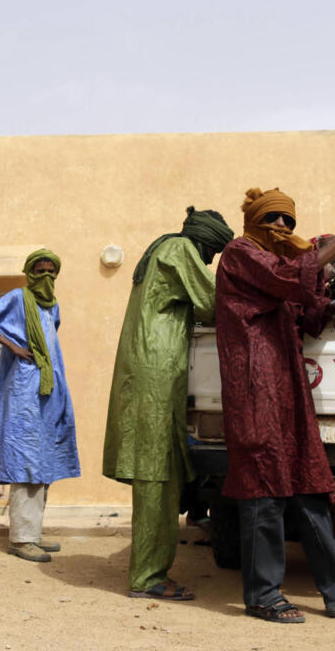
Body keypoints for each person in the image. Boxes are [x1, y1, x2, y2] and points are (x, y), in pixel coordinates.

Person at [215, 187, 335, 623]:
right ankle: (262, 595)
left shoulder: (285, 267)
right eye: (273, 220)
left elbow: (306, 307)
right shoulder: (240, 254)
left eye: (288, 222)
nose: (281, 228)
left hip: (289, 391)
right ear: (254, 222)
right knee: (263, 488)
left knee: (308, 487)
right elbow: (287, 279)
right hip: (255, 387)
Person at [102, 206, 234, 601]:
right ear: (206, 242)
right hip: (155, 372)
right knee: (155, 473)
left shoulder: (167, 247)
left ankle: (152, 569)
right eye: (214, 250)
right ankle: (147, 576)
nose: (211, 258)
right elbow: (213, 302)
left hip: (156, 370)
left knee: (163, 471)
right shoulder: (180, 250)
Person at [0, 248, 80, 563]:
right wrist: (13, 346)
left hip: (49, 391)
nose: (46, 276)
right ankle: (21, 540)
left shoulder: (52, 307)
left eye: (52, 271)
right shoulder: (16, 298)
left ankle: (32, 533)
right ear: (29, 272)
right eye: (40, 270)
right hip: (23, 391)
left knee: (44, 459)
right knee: (26, 460)